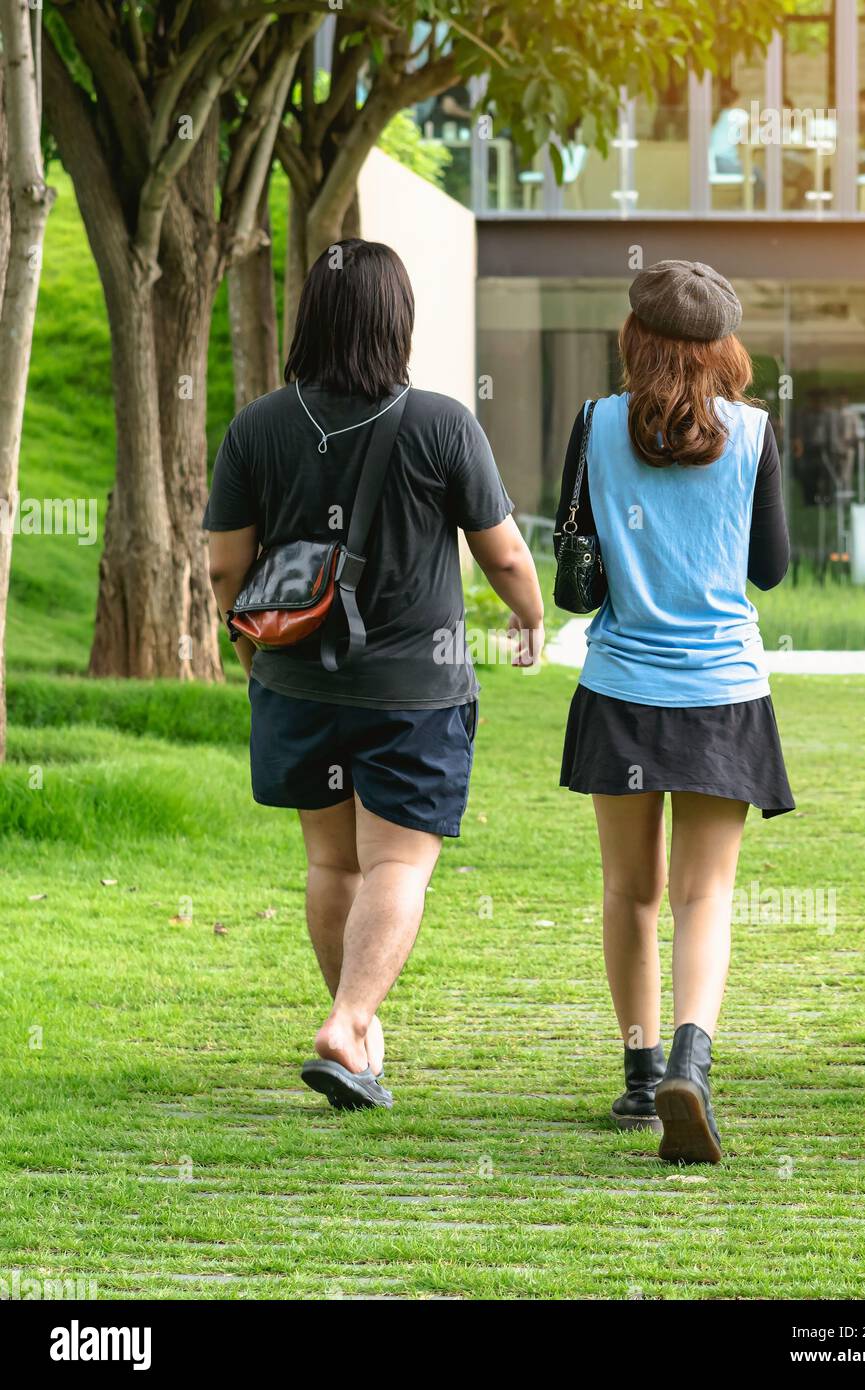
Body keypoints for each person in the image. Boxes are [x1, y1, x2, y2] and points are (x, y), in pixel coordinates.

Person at [204, 239, 544, 1112]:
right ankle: (350, 1021)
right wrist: (530, 615)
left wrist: (253, 653)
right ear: (397, 321)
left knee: (332, 863)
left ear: (310, 317)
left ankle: (353, 1035)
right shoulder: (441, 423)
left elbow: (223, 567)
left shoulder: (256, 425)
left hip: (297, 684)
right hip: (414, 691)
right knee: (396, 860)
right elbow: (504, 552)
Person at [555, 260, 794, 1165]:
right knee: (704, 894)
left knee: (629, 890)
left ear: (634, 339)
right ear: (723, 347)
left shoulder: (594, 424)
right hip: (722, 692)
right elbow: (768, 568)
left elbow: (577, 582)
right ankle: (691, 1062)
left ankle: (638, 1072)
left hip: (621, 689)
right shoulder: (755, 432)